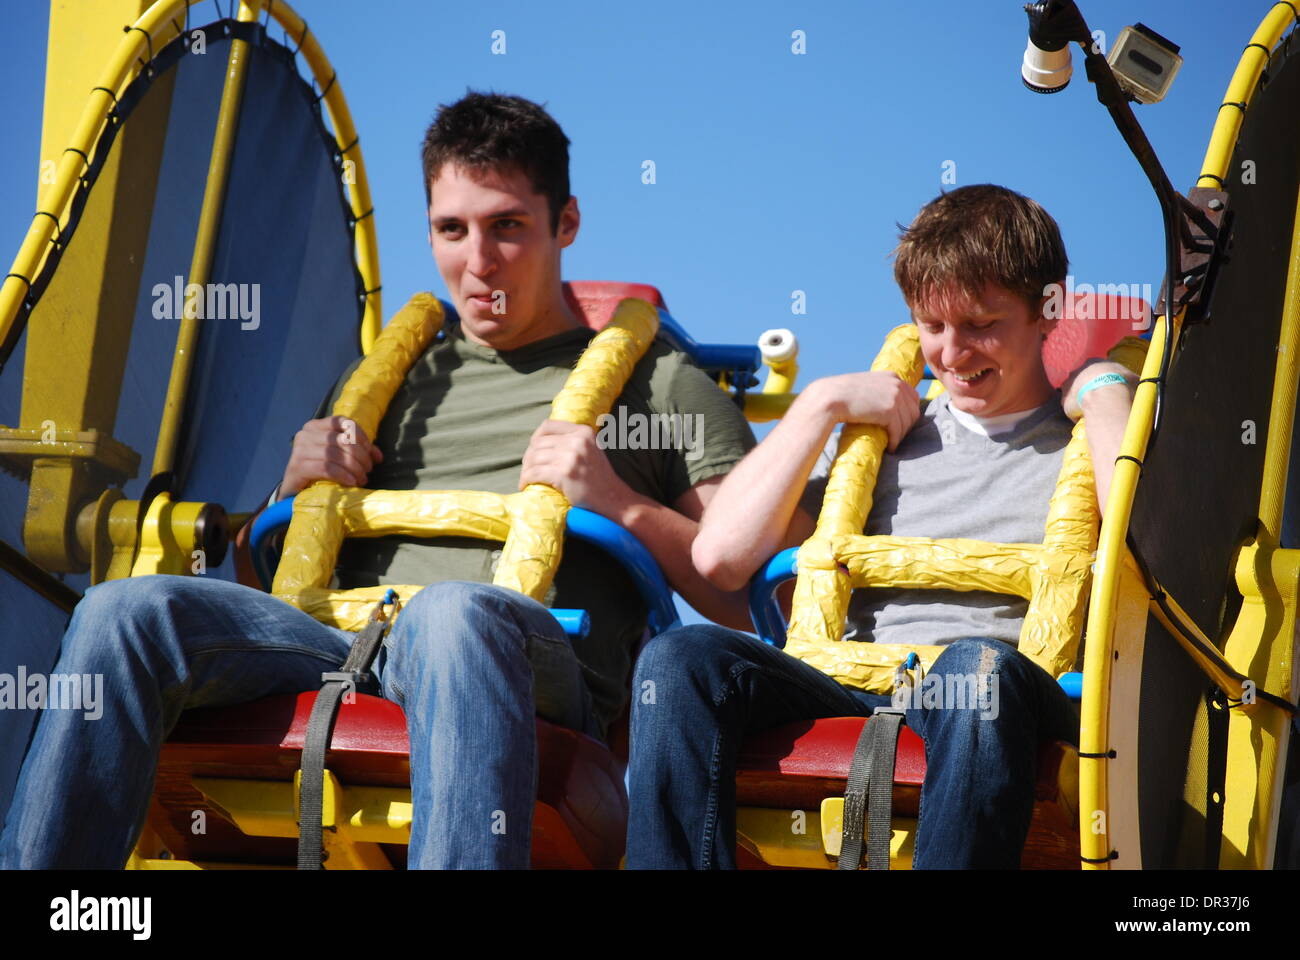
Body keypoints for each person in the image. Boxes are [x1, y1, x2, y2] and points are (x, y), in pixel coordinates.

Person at [0, 92, 755, 870]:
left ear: (566, 224)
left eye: (508, 227)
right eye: (450, 230)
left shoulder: (661, 385)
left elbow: (745, 592)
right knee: (124, 609)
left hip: (518, 656)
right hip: (341, 642)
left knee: (450, 615)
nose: (479, 262)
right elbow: (265, 584)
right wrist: (286, 498)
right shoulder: (382, 381)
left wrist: (619, 502)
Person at [625, 184, 1137, 869]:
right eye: (932, 327)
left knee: (977, 667)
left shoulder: (1082, 439)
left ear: (1049, 310)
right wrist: (819, 405)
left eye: (981, 324)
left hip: (995, 691)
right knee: (679, 659)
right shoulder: (878, 437)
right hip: (854, 678)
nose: (952, 354)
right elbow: (720, 556)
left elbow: (1143, 553)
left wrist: (1107, 393)